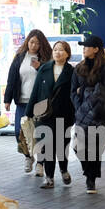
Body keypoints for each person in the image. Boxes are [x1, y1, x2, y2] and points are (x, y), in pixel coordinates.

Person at [70, 34, 105, 193]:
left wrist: (84, 91)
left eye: (87, 46)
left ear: (96, 49)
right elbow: (73, 91)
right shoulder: (79, 67)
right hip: (82, 114)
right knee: (78, 147)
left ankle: (90, 180)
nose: (83, 48)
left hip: (101, 115)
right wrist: (79, 105)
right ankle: (88, 172)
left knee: (96, 148)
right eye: (83, 46)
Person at [27, 40, 75, 188]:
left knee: (61, 146)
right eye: (55, 50)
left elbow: (74, 95)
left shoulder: (71, 72)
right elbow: (35, 91)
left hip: (63, 115)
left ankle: (64, 169)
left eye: (61, 50)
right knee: (47, 146)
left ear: (67, 54)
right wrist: (29, 112)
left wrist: (74, 116)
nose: (57, 52)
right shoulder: (44, 69)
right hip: (44, 115)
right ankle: (49, 178)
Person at [3, 28, 51, 174]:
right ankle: (28, 156)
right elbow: (12, 78)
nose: (34, 45)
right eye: (31, 42)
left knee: (39, 132)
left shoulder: (46, 59)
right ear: (27, 42)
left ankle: (41, 163)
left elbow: (50, 78)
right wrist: (7, 99)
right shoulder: (19, 57)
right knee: (20, 132)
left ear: (41, 44)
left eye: (37, 43)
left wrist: (40, 67)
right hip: (22, 101)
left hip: (39, 102)